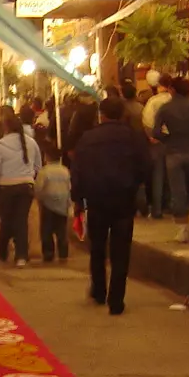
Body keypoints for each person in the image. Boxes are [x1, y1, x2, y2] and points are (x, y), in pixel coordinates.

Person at [71, 95, 151, 315]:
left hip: (96, 199)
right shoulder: (134, 137)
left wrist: (77, 199)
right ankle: (116, 299)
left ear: (101, 114)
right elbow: (146, 167)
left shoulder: (88, 138)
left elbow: (78, 170)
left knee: (97, 247)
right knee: (121, 251)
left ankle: (98, 290)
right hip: (124, 199)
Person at [154, 76, 189, 242]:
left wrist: (168, 139)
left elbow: (156, 132)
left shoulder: (165, 108)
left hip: (174, 153)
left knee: (178, 191)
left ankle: (183, 230)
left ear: (172, 89)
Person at [0, 113, 41, 267]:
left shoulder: (0, 145)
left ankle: (2, 251)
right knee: (21, 220)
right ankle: (21, 255)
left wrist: (1, 174)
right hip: (26, 186)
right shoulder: (31, 143)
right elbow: (38, 165)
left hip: (6, 186)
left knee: (6, 220)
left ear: (6, 127)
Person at [141, 73, 174, 220]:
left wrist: (151, 137)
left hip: (158, 142)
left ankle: (157, 209)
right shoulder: (176, 100)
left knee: (158, 175)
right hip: (175, 142)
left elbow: (147, 122)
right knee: (174, 176)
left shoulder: (153, 101)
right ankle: (173, 206)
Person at [35, 145, 72, 263]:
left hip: (48, 204)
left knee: (46, 230)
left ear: (47, 157)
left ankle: (48, 253)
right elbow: (69, 187)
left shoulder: (44, 171)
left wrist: (38, 198)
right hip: (62, 203)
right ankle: (63, 253)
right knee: (61, 230)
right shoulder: (65, 170)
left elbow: (39, 188)